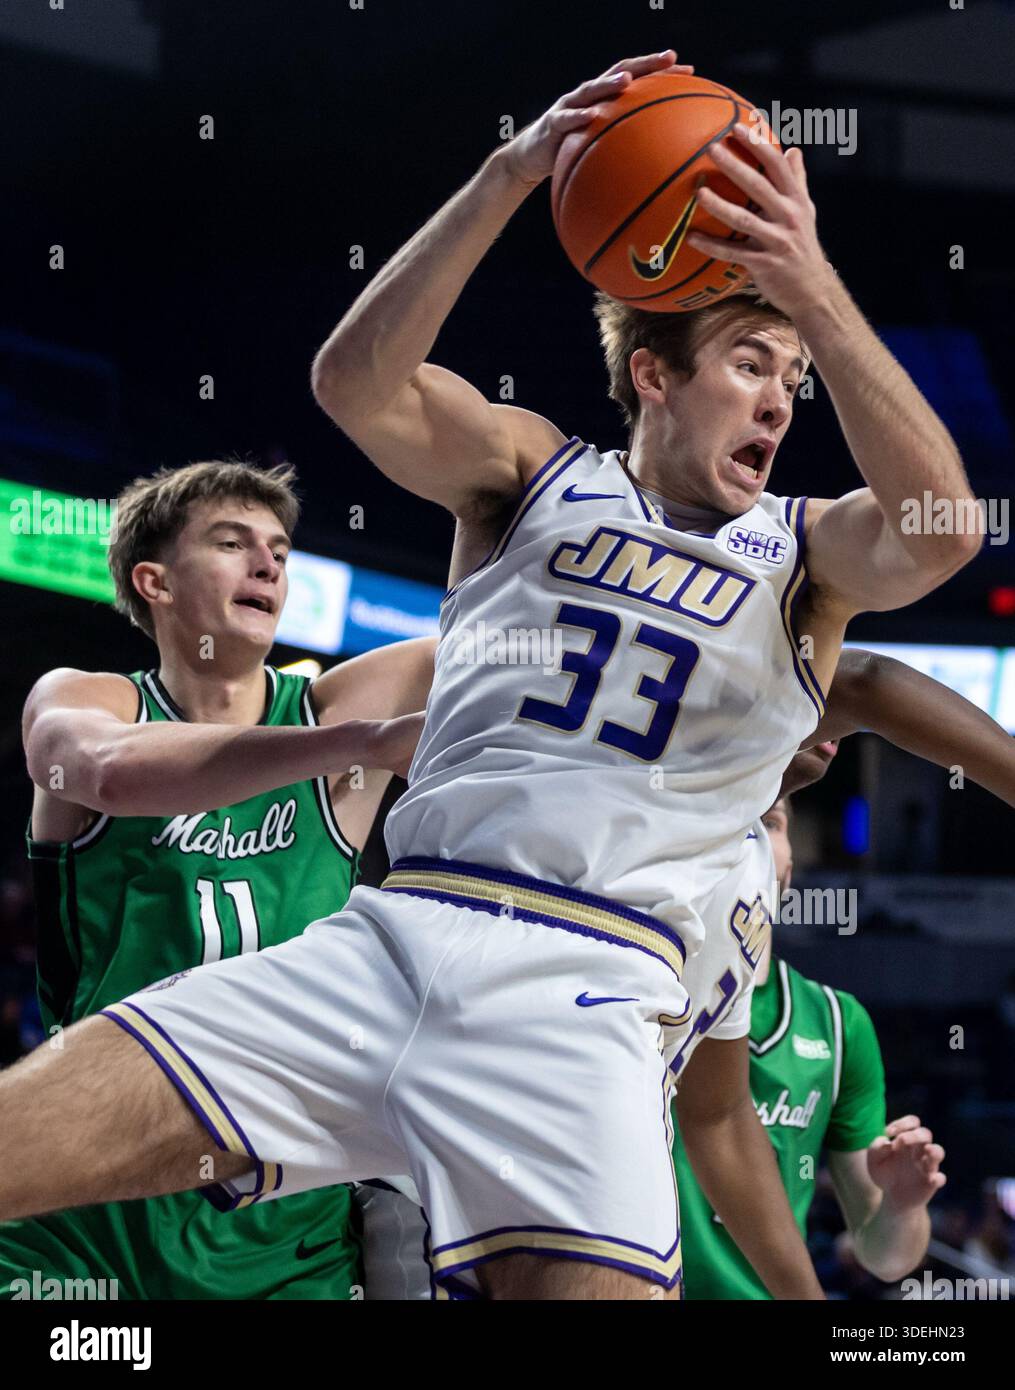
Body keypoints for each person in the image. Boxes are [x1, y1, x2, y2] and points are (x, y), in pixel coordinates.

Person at [0, 50, 979, 1302]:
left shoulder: (805, 553)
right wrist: (510, 172)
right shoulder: (533, 471)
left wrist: (805, 285)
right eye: (751, 362)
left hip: (588, 990)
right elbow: (353, 382)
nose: (783, 402)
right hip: (389, 938)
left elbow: (943, 528)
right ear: (652, 372)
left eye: (793, 380)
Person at [0, 460, 433, 1300]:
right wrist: (362, 745)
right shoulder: (93, 701)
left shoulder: (334, 706)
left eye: (277, 549)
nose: (267, 565)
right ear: (152, 581)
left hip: (281, 1233)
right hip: (85, 1228)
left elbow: (514, 621)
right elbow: (108, 772)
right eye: (231, 544)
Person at [675, 644, 1015, 1298]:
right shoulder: (629, 975)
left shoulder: (835, 1025)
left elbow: (888, 1258)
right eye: (738, 822)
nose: (748, 840)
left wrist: (898, 1204)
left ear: (788, 864)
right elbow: (865, 683)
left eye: (769, 823)